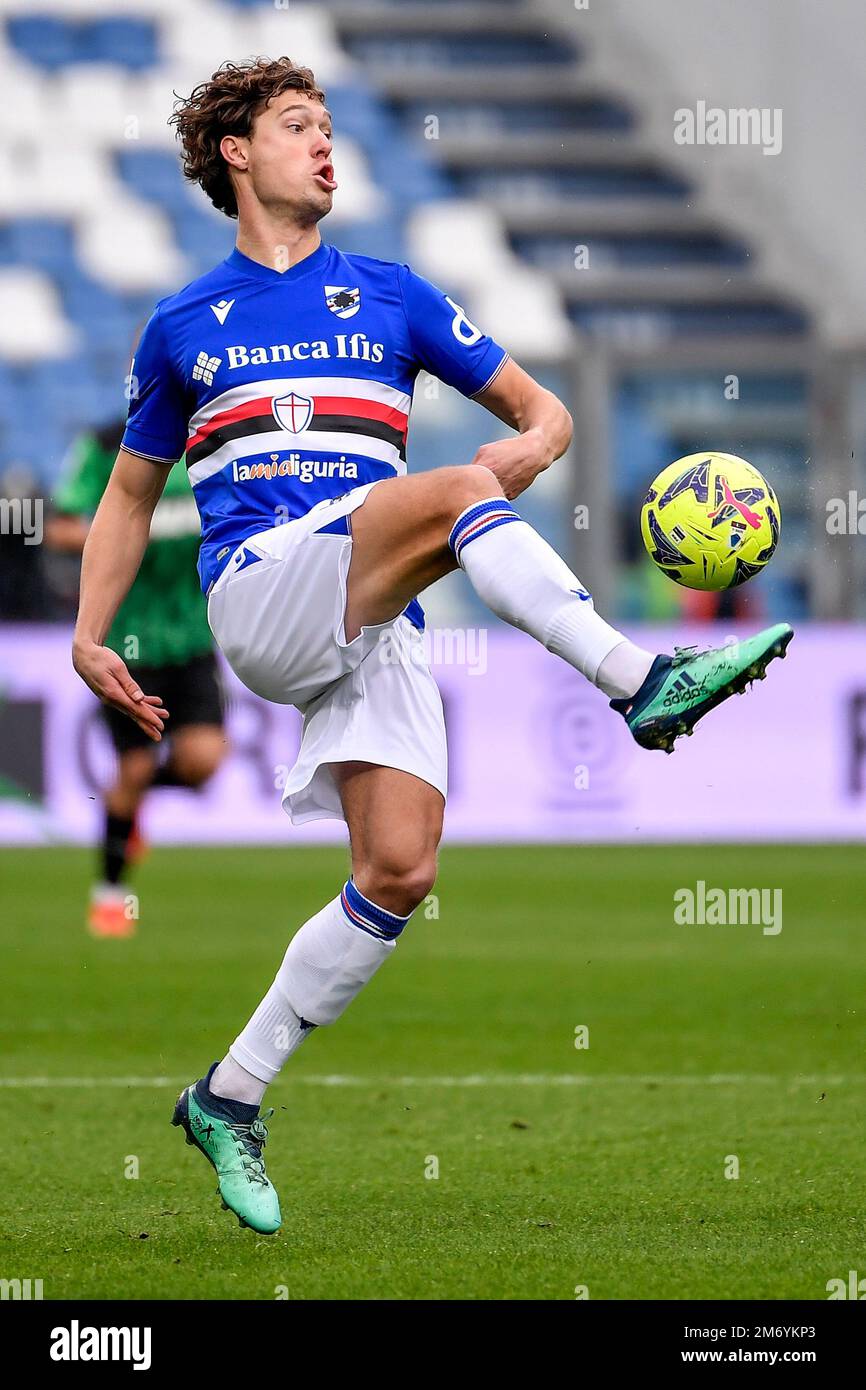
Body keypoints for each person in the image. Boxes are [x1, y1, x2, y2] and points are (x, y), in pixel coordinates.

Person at [71, 58, 792, 1233]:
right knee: (443, 492)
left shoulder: (395, 294)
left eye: (328, 126)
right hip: (261, 587)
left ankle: (226, 1093)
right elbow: (127, 494)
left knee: (398, 869)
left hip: (373, 606)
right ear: (234, 156)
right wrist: (93, 635)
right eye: (296, 126)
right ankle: (641, 680)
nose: (324, 144)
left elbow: (544, 416)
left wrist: (475, 494)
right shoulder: (183, 324)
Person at [49, 418, 226, 936]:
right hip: (126, 644)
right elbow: (57, 527)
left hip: (193, 637)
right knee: (132, 770)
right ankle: (108, 893)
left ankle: (136, 807)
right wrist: (119, 533)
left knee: (203, 761)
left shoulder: (213, 439)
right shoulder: (105, 446)